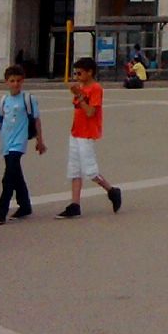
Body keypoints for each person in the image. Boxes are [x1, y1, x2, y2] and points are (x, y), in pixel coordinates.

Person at [57, 58, 122, 219]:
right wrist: (78, 94)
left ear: (89, 72)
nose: (77, 76)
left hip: (87, 133)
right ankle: (75, 204)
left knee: (90, 170)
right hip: (76, 131)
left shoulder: (95, 88)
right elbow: (77, 107)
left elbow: (90, 112)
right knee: (74, 170)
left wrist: (79, 96)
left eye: (79, 73)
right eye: (75, 73)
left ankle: (111, 190)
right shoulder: (80, 87)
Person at [0, 64, 45, 225]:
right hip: (6, 143)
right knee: (16, 175)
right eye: (12, 81)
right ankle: (25, 205)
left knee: (8, 178)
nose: (16, 84)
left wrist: (40, 140)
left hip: (18, 143)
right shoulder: (3, 101)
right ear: (6, 82)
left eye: (18, 81)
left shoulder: (28, 99)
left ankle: (1, 212)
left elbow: (36, 120)